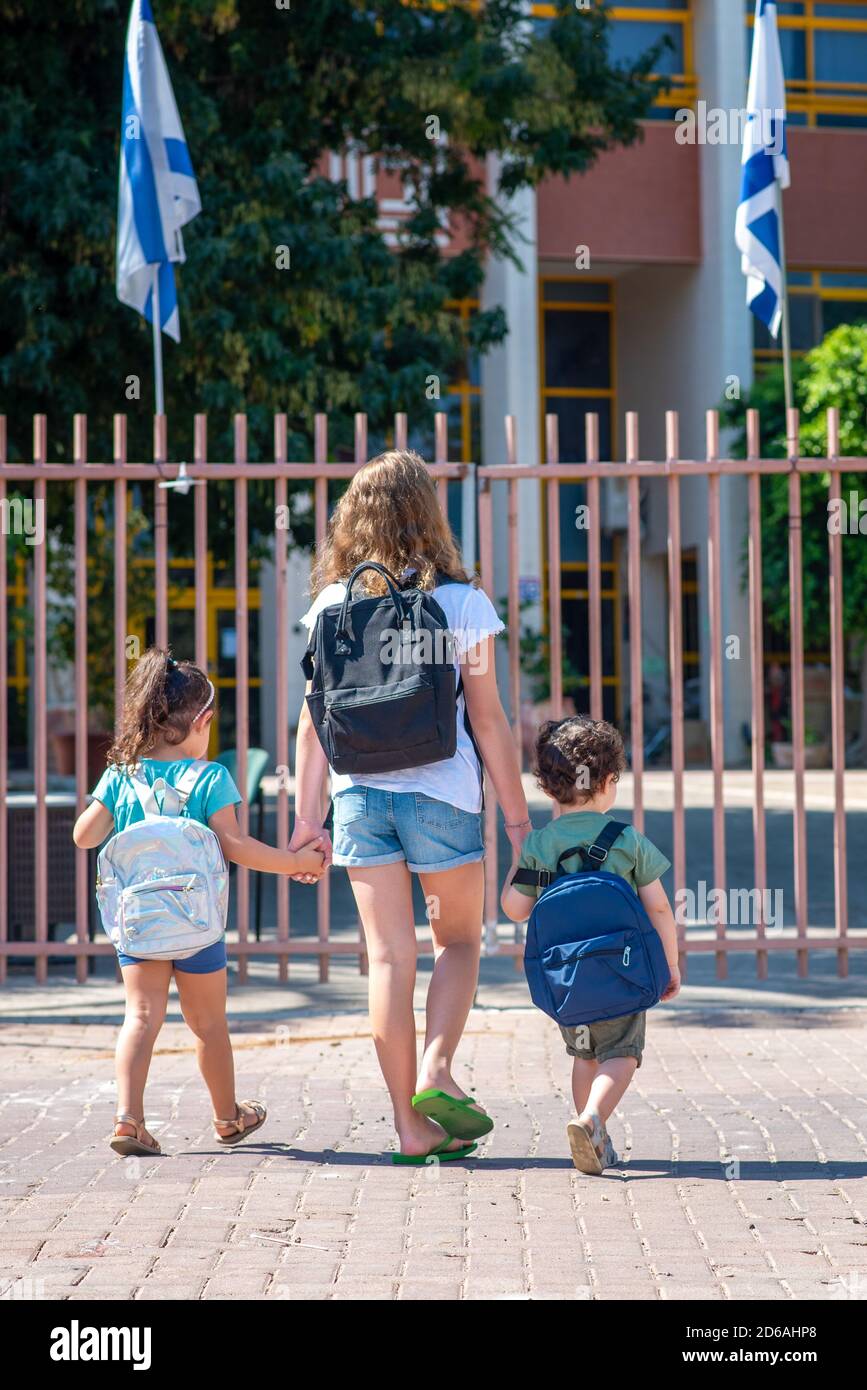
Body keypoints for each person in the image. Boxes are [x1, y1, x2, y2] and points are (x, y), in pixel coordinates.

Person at [290, 449, 531, 1164]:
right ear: (429, 514)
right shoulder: (462, 604)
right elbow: (487, 720)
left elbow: (311, 722)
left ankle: (407, 1126)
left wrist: (308, 824)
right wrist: (518, 822)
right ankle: (436, 1071)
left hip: (358, 796)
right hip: (442, 794)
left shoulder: (331, 607)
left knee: (387, 957)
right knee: (457, 942)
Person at [73, 648, 324, 1158]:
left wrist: (113, 794)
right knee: (208, 1025)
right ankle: (228, 1117)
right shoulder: (211, 779)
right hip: (198, 927)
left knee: (140, 1016)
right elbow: (236, 847)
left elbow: (84, 837)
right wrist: (297, 863)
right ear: (203, 721)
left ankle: (128, 1119)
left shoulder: (122, 775)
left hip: (140, 927)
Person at [501, 715, 680, 1174]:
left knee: (585, 1054)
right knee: (622, 1053)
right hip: (621, 974)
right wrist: (671, 967)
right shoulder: (627, 840)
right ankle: (592, 1119)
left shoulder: (540, 844)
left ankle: (593, 1137)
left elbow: (515, 909)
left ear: (547, 787)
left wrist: (522, 856)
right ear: (607, 781)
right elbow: (659, 909)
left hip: (567, 981)